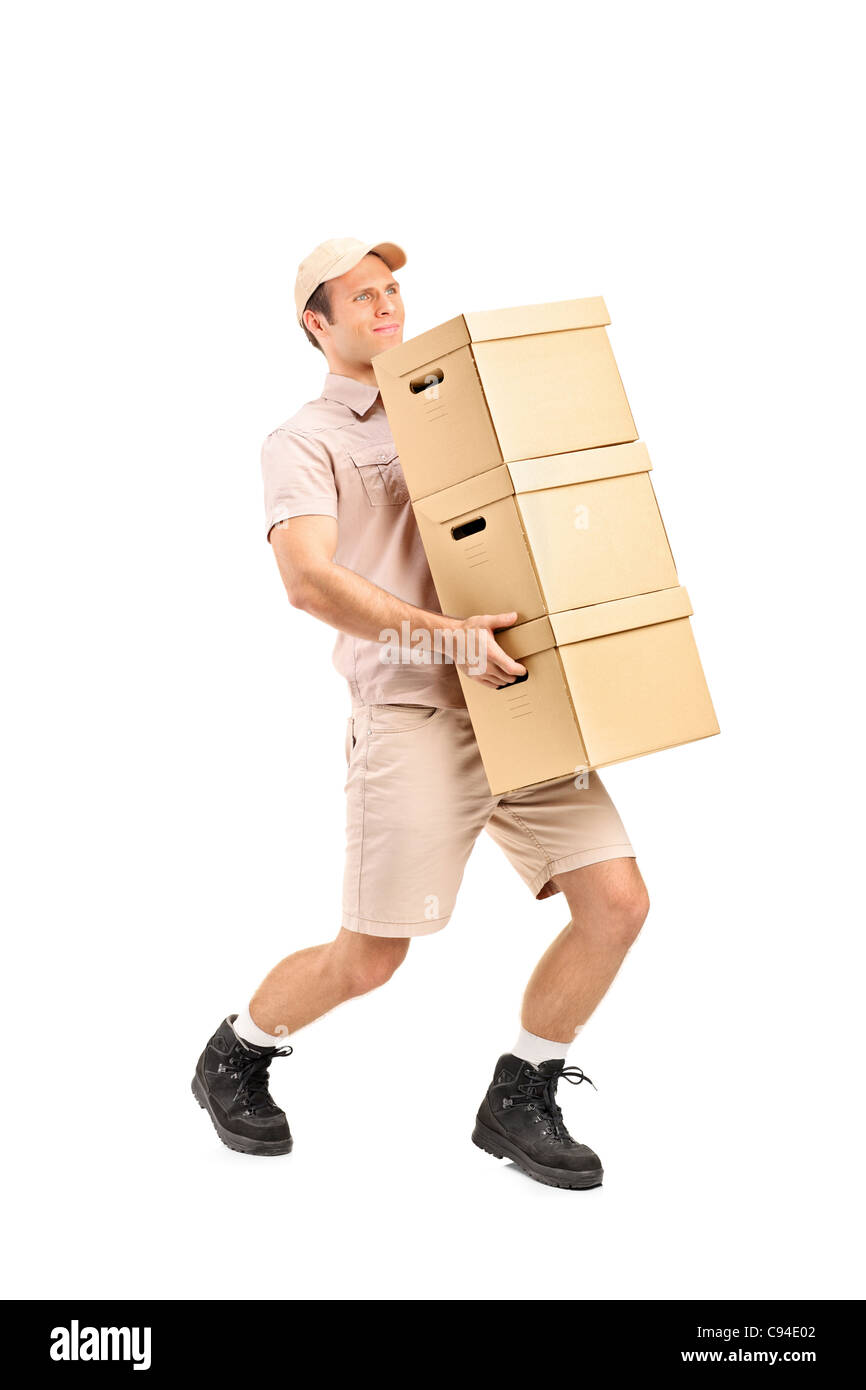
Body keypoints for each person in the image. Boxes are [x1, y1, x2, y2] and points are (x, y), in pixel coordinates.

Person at [191, 236, 649, 1189]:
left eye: (392, 289)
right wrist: (444, 639)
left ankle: (520, 1091)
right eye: (359, 296)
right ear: (316, 324)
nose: (385, 305)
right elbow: (308, 581)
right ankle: (236, 1052)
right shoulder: (303, 441)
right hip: (413, 709)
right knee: (369, 960)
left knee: (617, 904)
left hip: (523, 700)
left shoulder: (461, 408)